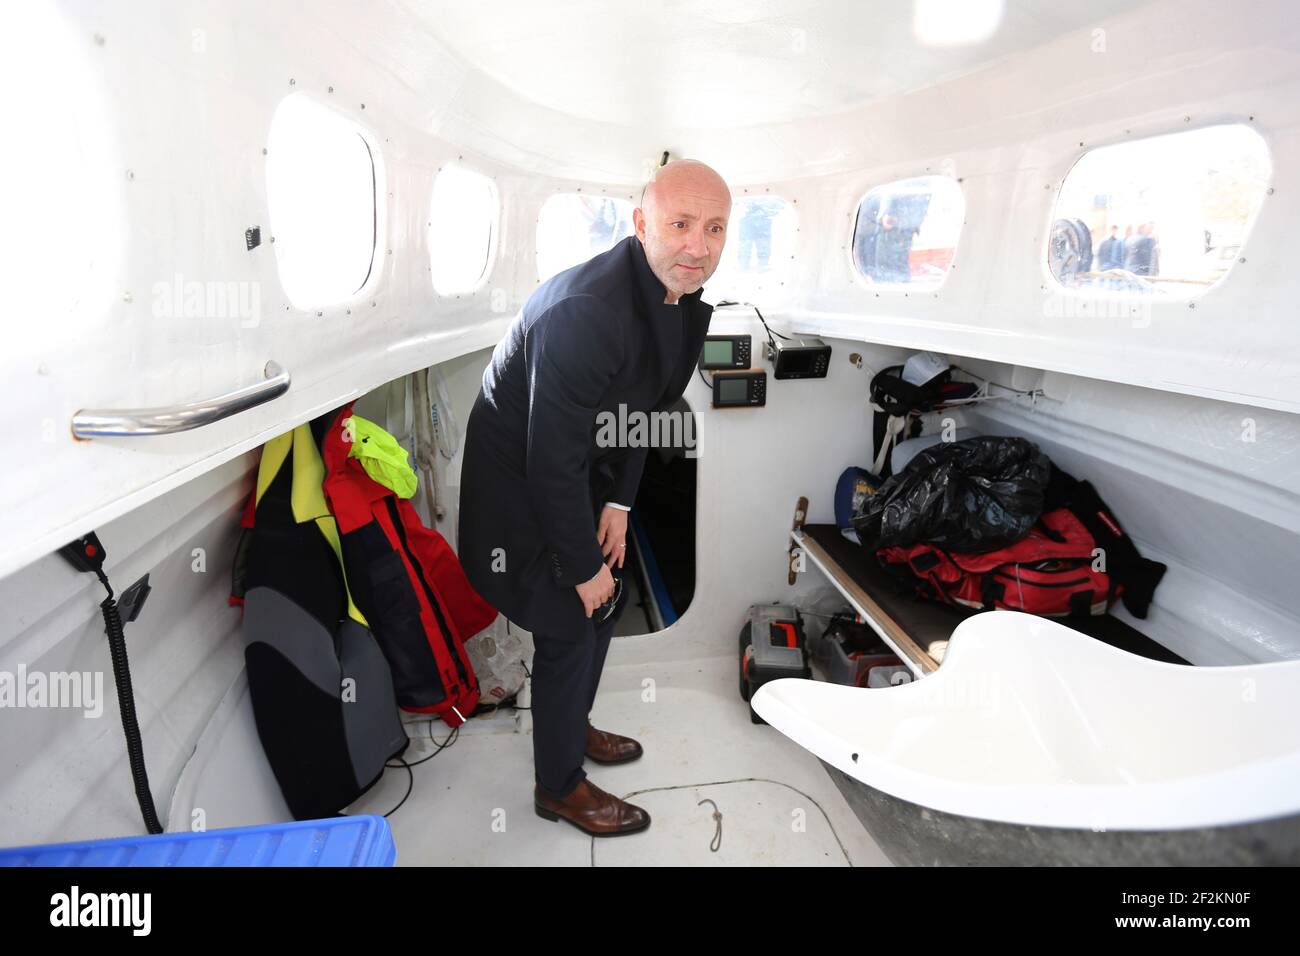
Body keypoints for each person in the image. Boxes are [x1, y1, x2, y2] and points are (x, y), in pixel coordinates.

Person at [457, 159, 730, 836]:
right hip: (518, 494)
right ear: (641, 225)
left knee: (606, 604)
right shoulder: (587, 313)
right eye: (680, 225)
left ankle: (569, 723)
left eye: (715, 229)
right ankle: (559, 787)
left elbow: (648, 406)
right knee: (574, 618)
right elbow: (548, 459)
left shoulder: (674, 298)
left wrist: (620, 506)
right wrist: (578, 566)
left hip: (581, 477)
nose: (698, 246)